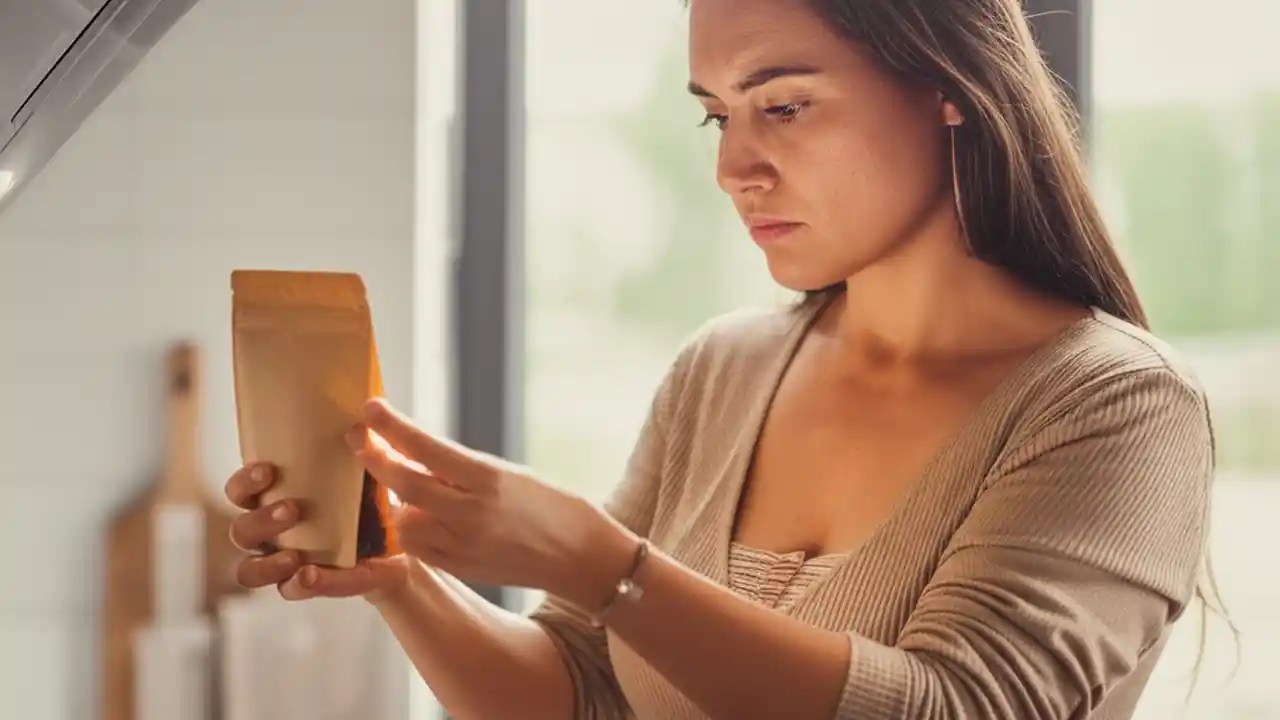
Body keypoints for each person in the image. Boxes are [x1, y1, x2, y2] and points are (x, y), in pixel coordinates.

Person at [224, 0, 1216, 717]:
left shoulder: (1117, 407)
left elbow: (954, 708)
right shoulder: (723, 369)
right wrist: (394, 573)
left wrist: (600, 564)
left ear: (947, 88)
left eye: (781, 105)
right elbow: (579, 693)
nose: (730, 168)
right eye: (715, 113)